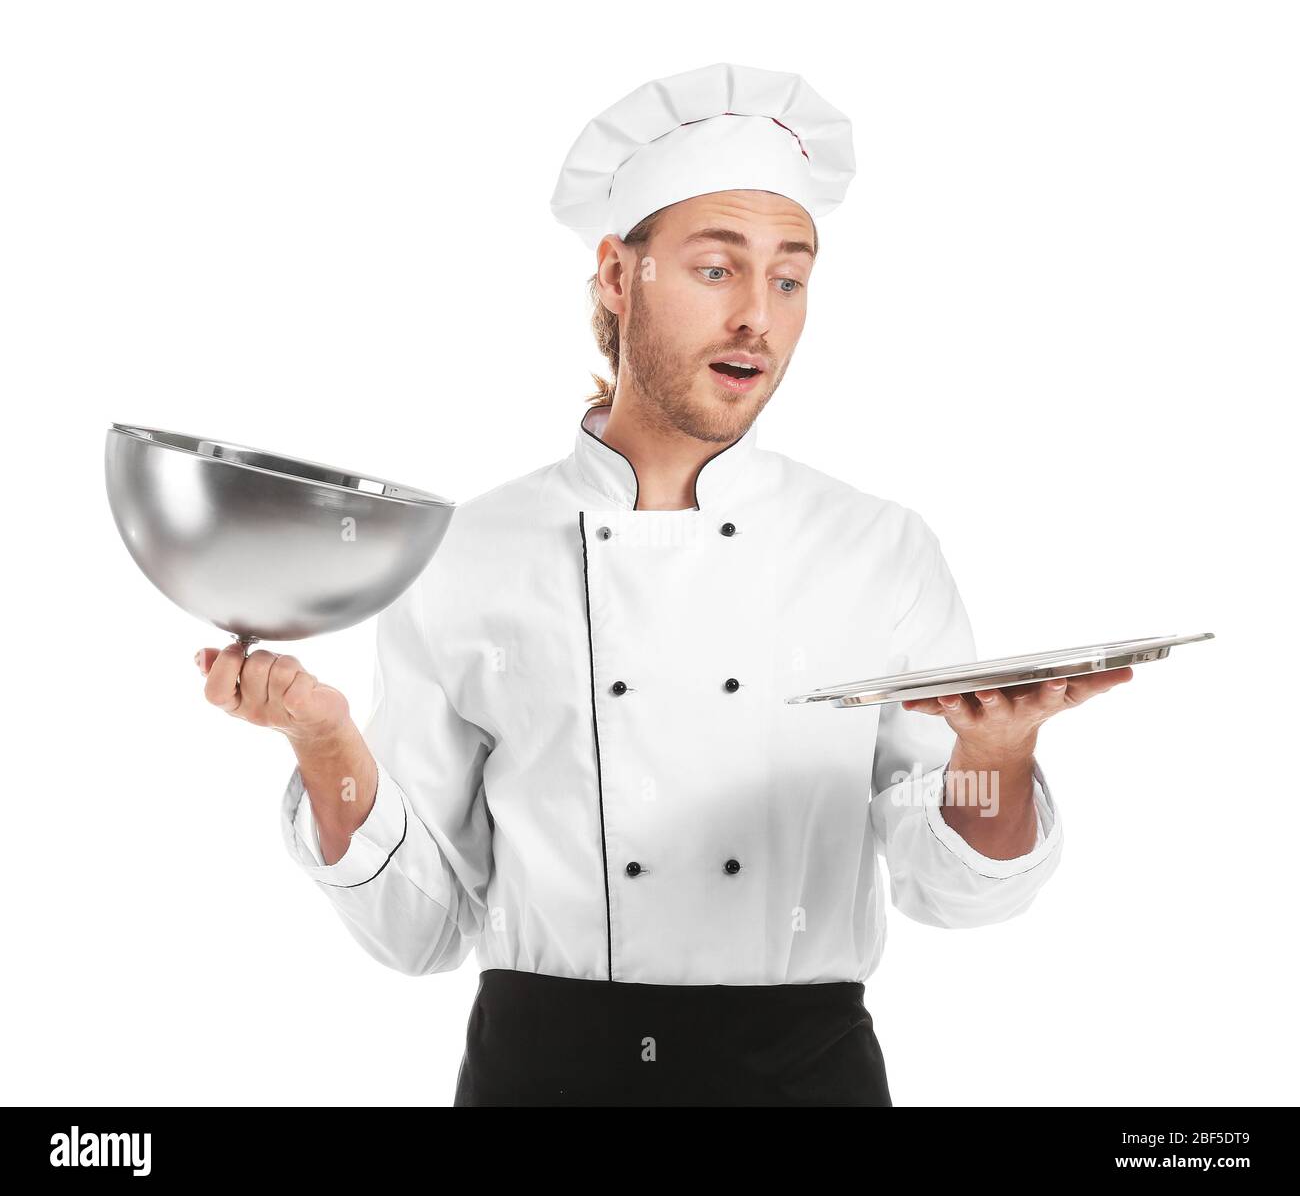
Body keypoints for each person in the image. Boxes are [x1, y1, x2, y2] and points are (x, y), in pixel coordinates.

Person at [196, 62, 1132, 1107]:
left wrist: (992, 757)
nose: (758, 319)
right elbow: (422, 928)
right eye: (715, 269)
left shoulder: (877, 548)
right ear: (615, 273)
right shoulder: (466, 552)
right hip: (539, 1074)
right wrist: (326, 746)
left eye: (788, 276)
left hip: (801, 1075)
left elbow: (950, 885)